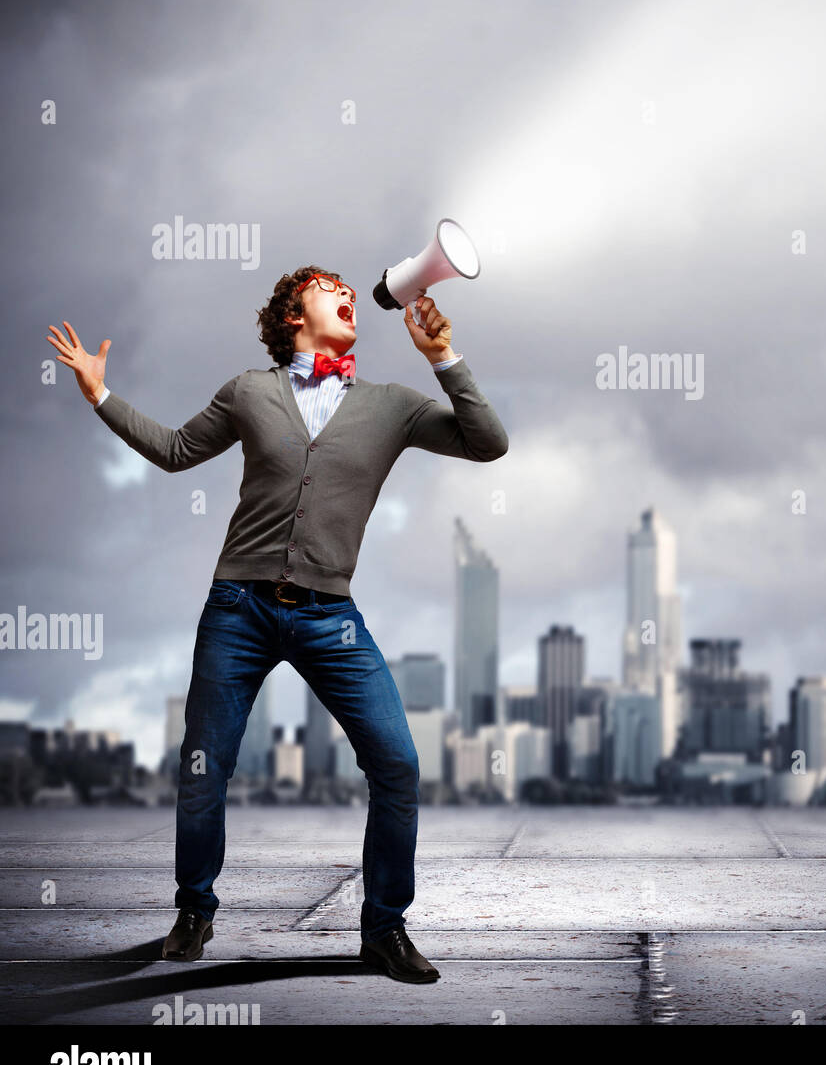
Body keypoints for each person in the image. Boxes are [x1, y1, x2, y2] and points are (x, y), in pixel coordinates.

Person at [45, 266, 509, 984]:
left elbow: (488, 442)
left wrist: (440, 357)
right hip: (239, 609)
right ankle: (194, 911)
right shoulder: (248, 391)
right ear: (294, 314)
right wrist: (99, 393)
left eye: (352, 290)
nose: (350, 293)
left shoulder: (392, 406)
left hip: (332, 618)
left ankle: (383, 930)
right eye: (331, 287)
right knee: (204, 767)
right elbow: (174, 452)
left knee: (398, 766)